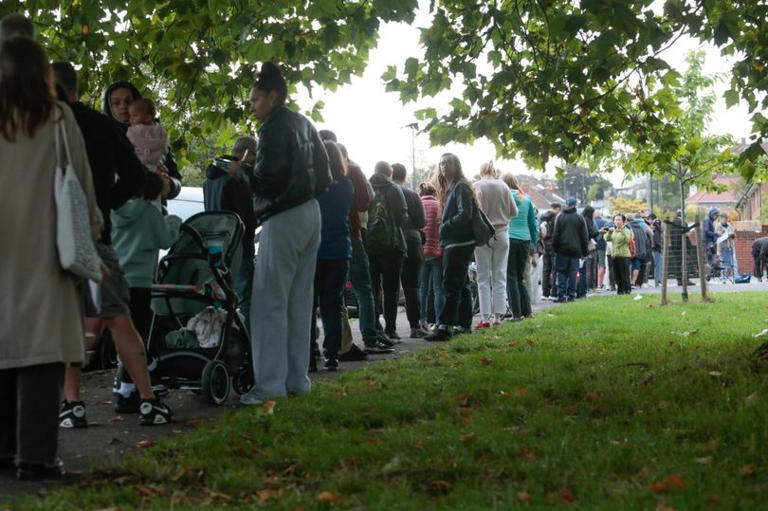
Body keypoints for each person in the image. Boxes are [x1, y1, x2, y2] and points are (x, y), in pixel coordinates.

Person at [0, 38, 101, 480]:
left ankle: (2, 448)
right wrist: (92, 234)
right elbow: (81, 185)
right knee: (41, 355)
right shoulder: (58, 118)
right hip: (46, 246)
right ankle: (36, 456)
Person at [52, 62, 173, 427]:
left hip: (53, 236)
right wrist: (107, 202)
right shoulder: (104, 126)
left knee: (68, 322)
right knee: (119, 317)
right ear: (77, 86)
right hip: (96, 235)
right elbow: (137, 176)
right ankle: (149, 400)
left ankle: (72, 404)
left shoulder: (43, 123)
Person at [229, 62, 331, 405]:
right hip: (310, 212)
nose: (253, 106)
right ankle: (296, 380)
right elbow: (326, 175)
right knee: (300, 301)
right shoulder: (305, 122)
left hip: (283, 214)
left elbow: (268, 181)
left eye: (256, 99)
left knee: (269, 302)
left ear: (272, 97)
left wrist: (242, 171)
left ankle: (269, 385)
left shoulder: (272, 127)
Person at [329, 137, 392, 354]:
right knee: (364, 289)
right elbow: (366, 201)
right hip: (352, 233)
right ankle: (370, 336)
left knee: (332, 294)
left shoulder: (314, 172)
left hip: (323, 237)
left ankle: (336, 343)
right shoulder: (352, 171)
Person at [111, 173, 182, 339]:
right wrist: (173, 222)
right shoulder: (151, 213)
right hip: (140, 282)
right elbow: (165, 240)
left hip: (116, 279)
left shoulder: (114, 212)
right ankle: (133, 362)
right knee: (137, 331)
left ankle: (119, 359)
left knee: (119, 329)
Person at [202, 136, 258, 325]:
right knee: (245, 300)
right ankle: (245, 347)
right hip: (239, 246)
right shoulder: (237, 179)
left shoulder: (210, 179)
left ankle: (219, 342)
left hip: (215, 247)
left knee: (218, 299)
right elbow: (246, 217)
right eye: (255, 156)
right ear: (248, 153)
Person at [309, 141, 354, 371]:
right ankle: (333, 354)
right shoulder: (346, 185)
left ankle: (309, 353)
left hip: (315, 249)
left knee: (309, 303)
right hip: (339, 249)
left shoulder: (315, 185)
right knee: (332, 304)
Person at [102, 81, 182, 201]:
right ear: (109, 107)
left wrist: (166, 183)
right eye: (116, 103)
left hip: (153, 210)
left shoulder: (156, 134)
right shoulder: (102, 136)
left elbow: (176, 180)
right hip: (117, 212)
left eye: (128, 102)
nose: (123, 106)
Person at [425, 153, 475, 342]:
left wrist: (446, 226)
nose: (444, 166)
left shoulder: (460, 186)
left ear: (457, 165)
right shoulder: (454, 186)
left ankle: (445, 326)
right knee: (461, 285)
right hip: (457, 241)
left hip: (458, 242)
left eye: (448, 163)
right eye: (442, 163)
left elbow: (465, 214)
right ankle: (464, 324)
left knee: (451, 284)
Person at [367, 161, 408, 340]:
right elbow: (401, 217)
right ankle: (390, 328)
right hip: (392, 244)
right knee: (390, 289)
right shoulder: (393, 189)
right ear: (390, 173)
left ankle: (374, 325)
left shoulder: (365, 185)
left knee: (372, 288)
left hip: (370, 244)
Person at [473, 163, 517, 328]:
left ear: (481, 171)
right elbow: (514, 212)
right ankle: (498, 316)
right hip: (502, 233)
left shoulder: (477, 186)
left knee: (483, 277)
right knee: (500, 275)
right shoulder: (504, 186)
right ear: (494, 171)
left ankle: (485, 317)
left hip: (483, 235)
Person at [392, 163, 428, 338]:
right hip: (412, 241)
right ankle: (415, 326)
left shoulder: (382, 194)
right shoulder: (412, 195)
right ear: (405, 177)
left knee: (389, 287)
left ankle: (390, 329)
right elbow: (422, 222)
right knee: (412, 286)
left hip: (389, 242)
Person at [501, 173, 536, 320]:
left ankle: (516, 314)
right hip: (525, 241)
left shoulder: (504, 197)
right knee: (520, 277)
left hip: (509, 238)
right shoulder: (526, 198)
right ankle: (527, 312)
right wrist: (534, 244)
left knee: (510, 277)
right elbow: (533, 225)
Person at [552, 197, 588, 302]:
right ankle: (571, 294)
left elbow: (556, 234)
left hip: (562, 250)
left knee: (561, 273)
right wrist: (584, 252)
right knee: (573, 273)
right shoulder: (580, 218)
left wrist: (555, 248)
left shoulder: (560, 217)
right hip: (576, 250)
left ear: (566, 205)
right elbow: (584, 237)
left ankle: (561, 295)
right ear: (575, 205)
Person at [419, 181, 444, 330]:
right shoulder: (439, 205)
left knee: (423, 289)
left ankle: (422, 320)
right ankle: (439, 321)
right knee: (438, 288)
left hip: (422, 251)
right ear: (434, 193)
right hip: (437, 251)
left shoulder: (418, 204)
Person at [126, 98, 169, 172]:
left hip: (139, 163)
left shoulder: (133, 131)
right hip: (157, 163)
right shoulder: (160, 129)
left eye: (135, 115)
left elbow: (127, 147)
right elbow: (165, 146)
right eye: (130, 115)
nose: (131, 119)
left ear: (147, 118)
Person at [603, 214, 632, 294]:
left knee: (624, 274)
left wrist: (621, 230)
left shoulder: (626, 230)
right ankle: (620, 291)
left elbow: (627, 239)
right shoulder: (614, 231)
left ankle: (627, 290)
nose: (617, 222)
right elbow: (606, 238)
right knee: (617, 275)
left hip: (624, 255)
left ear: (623, 222)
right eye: (616, 220)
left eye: (619, 220)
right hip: (615, 255)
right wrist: (609, 232)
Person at [539, 203, 561, 299]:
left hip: (545, 245)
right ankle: (554, 292)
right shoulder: (555, 218)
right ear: (557, 209)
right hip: (553, 245)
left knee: (546, 269)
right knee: (555, 269)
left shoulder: (543, 217)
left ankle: (545, 293)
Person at [577, 205, 597, 297]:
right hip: (586, 247)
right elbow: (590, 233)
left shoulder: (580, 218)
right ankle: (586, 288)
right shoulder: (588, 220)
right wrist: (598, 232)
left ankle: (580, 289)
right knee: (586, 269)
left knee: (580, 269)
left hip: (578, 246)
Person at [628, 213, 653, 287]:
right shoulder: (642, 226)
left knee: (631, 266)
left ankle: (631, 282)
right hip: (642, 250)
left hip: (632, 250)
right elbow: (648, 236)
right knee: (639, 267)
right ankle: (637, 283)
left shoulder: (629, 228)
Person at [716, 213, 735, 282]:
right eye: (724, 218)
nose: (725, 220)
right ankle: (723, 278)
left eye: (726, 218)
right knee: (723, 263)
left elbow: (733, 235)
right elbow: (719, 236)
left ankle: (735, 277)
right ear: (721, 218)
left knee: (733, 263)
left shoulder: (730, 226)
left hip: (730, 246)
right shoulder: (718, 226)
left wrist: (732, 234)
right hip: (722, 247)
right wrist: (726, 234)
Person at [593, 210, 608, 289]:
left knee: (593, 265)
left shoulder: (591, 222)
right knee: (601, 264)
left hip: (592, 246)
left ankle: (593, 283)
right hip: (602, 246)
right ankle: (600, 283)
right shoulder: (605, 222)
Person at [649, 213, 663, 287]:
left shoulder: (654, 225)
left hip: (656, 248)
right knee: (658, 265)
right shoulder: (657, 225)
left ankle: (658, 281)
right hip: (657, 248)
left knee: (658, 265)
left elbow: (655, 237)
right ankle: (658, 281)